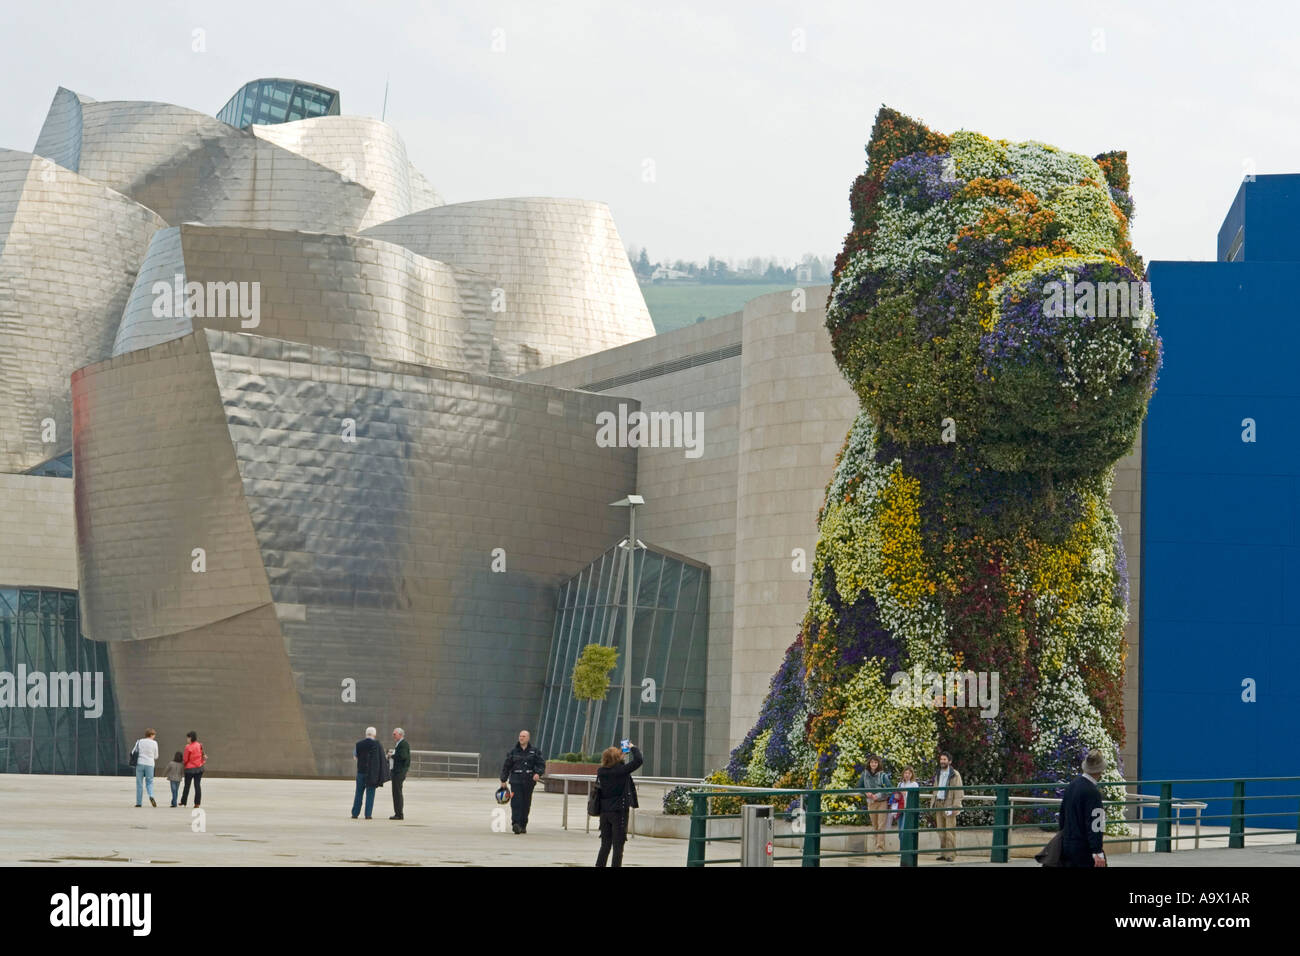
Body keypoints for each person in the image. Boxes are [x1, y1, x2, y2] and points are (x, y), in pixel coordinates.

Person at [595, 742, 643, 867]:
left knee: (605, 845)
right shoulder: (621, 771)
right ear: (617, 759)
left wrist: (620, 754)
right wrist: (632, 747)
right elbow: (639, 760)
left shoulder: (601, 771)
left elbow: (614, 765)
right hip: (619, 812)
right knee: (618, 846)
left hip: (604, 812)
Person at [1059, 749, 1108, 868]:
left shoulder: (1071, 786)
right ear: (1100, 770)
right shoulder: (1093, 793)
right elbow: (1095, 825)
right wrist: (1097, 852)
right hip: (1084, 850)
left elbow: (1062, 817)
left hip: (1067, 845)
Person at [499, 729, 546, 834]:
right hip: (516, 780)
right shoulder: (513, 752)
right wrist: (503, 779)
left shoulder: (535, 751)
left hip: (529, 781)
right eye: (520, 736)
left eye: (523, 736)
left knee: (525, 803)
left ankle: (523, 824)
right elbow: (506, 766)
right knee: (516, 803)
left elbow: (541, 764)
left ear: (528, 738)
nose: (521, 738)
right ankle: (516, 824)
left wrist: (538, 773)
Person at [351, 726, 390, 819]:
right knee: (370, 794)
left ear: (366, 734)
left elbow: (355, 756)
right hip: (372, 774)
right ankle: (368, 814)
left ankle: (355, 813)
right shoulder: (377, 745)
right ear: (374, 734)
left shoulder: (358, 744)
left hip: (361, 772)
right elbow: (381, 759)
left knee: (358, 793)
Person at [931, 751, 963, 861]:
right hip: (939, 803)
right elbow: (935, 788)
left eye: (944, 759)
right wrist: (933, 803)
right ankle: (943, 853)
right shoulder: (938, 772)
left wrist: (956, 806)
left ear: (949, 761)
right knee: (941, 830)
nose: (942, 761)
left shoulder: (955, 774)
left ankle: (950, 855)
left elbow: (959, 792)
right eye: (941, 759)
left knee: (950, 831)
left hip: (949, 804)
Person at [860, 754, 892, 853]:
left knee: (881, 825)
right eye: (872, 762)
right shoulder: (864, 774)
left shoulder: (883, 775)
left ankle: (880, 848)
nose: (873, 764)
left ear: (878, 764)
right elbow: (859, 787)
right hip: (871, 803)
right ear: (869, 764)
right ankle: (876, 846)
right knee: (875, 825)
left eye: (875, 762)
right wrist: (866, 793)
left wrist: (877, 795)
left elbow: (889, 789)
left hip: (882, 802)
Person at [131, 729, 159, 807]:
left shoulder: (139, 741)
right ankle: (151, 795)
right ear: (152, 735)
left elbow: (133, 752)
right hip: (150, 764)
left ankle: (139, 803)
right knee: (149, 782)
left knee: (139, 783)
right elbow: (156, 756)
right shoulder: (154, 743)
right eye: (154, 735)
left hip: (140, 763)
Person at [179, 731, 206, 808]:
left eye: (187, 737)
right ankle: (197, 803)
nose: (187, 739)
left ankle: (183, 801)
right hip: (199, 768)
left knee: (187, 786)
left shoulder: (188, 747)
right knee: (197, 785)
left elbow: (185, 759)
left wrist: (183, 765)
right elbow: (202, 754)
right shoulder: (199, 745)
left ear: (190, 738)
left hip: (190, 769)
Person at [388, 727, 410, 820]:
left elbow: (402, 756)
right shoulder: (399, 744)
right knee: (396, 793)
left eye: (395, 734)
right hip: (396, 771)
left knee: (397, 793)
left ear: (400, 734)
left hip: (399, 772)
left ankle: (399, 814)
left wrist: (391, 755)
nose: (393, 736)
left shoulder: (403, 744)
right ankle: (398, 813)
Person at [892, 765, 919, 831]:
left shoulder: (914, 784)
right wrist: (897, 795)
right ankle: (901, 841)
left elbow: (914, 797)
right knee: (900, 829)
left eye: (909, 773)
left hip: (908, 808)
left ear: (912, 774)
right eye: (905, 773)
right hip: (900, 808)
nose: (907, 775)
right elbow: (896, 796)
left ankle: (904, 841)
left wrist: (906, 793)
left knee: (904, 829)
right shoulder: (900, 784)